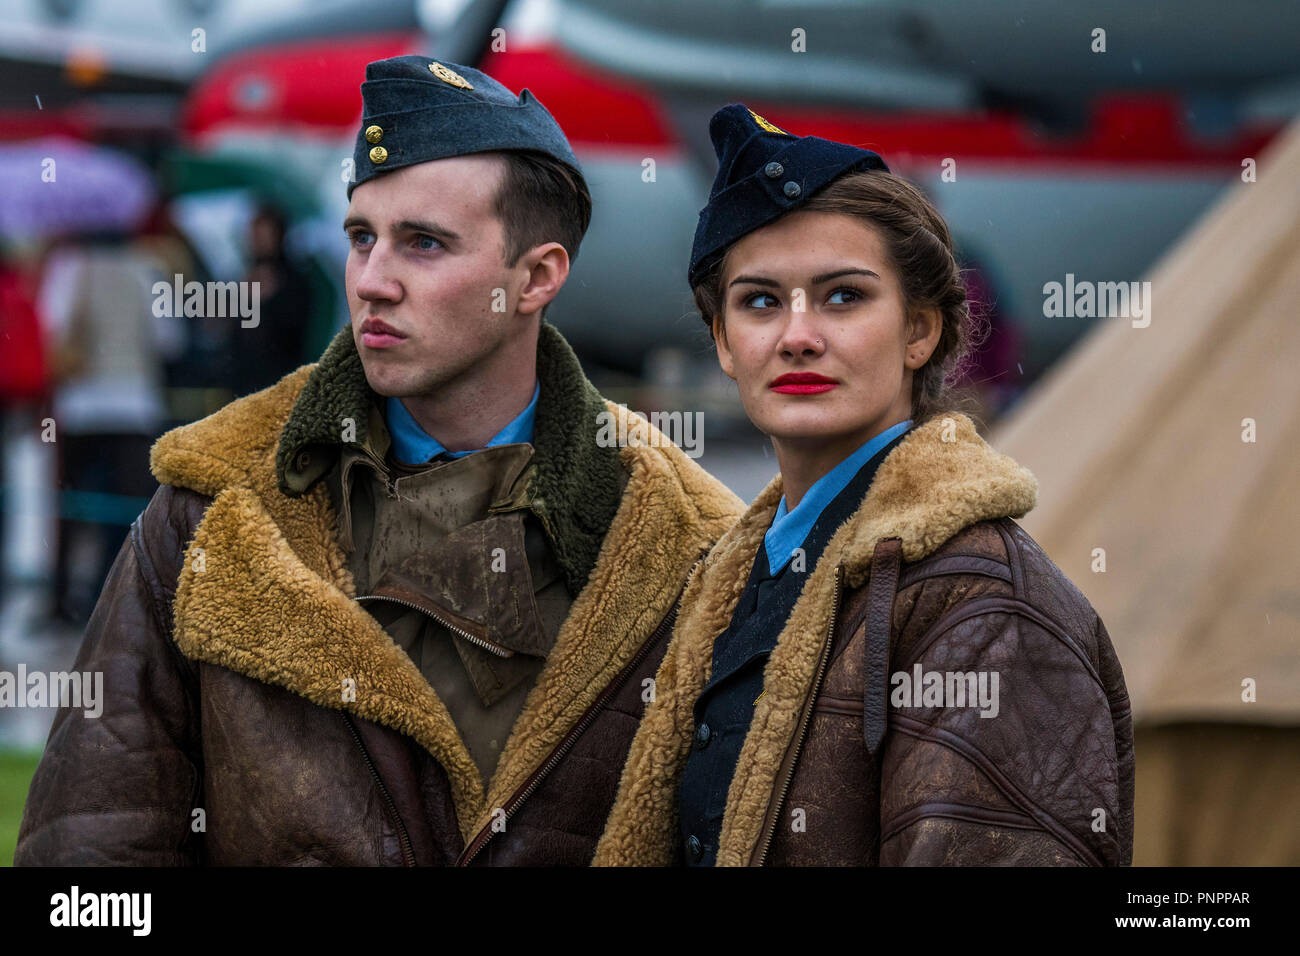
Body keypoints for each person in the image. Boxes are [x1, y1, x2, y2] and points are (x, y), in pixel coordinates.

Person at [15, 57, 743, 865]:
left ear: (536, 277)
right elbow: (90, 860)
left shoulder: (692, 541)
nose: (372, 281)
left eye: (423, 244)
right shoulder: (213, 504)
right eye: (363, 237)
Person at [593, 105, 1134, 866]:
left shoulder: (987, 606)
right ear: (721, 340)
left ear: (922, 331)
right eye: (759, 302)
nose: (799, 334)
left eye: (844, 295)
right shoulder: (730, 574)